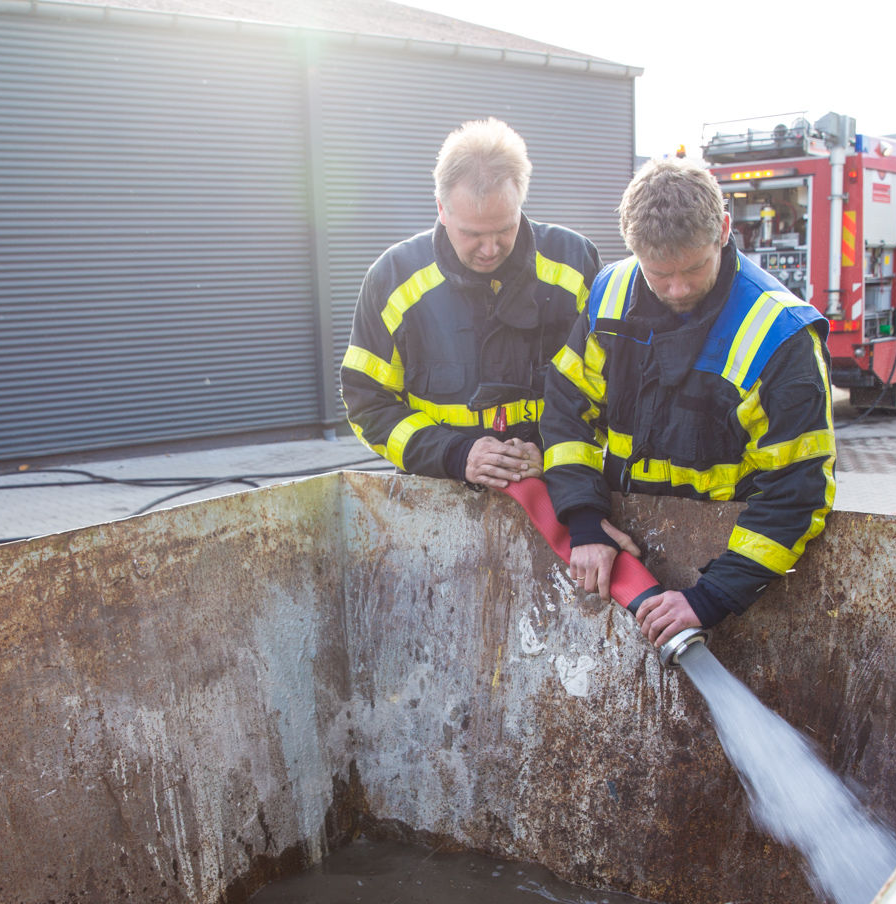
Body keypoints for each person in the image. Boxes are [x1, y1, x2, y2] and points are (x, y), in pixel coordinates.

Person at [540, 159, 834, 649]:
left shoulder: (780, 337)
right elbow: (568, 412)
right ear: (632, 248)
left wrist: (713, 596)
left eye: (693, 269)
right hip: (621, 550)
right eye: (659, 274)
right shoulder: (608, 293)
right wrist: (585, 520)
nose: (677, 289)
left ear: (722, 229)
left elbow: (797, 489)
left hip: (724, 572)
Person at [342, 119, 601, 490]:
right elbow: (367, 403)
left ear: (520, 202)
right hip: (438, 494)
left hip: (556, 491)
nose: (490, 249)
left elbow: (607, 392)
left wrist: (551, 450)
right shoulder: (393, 279)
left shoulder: (574, 264)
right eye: (472, 234)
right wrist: (455, 454)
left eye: (504, 228)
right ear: (441, 209)